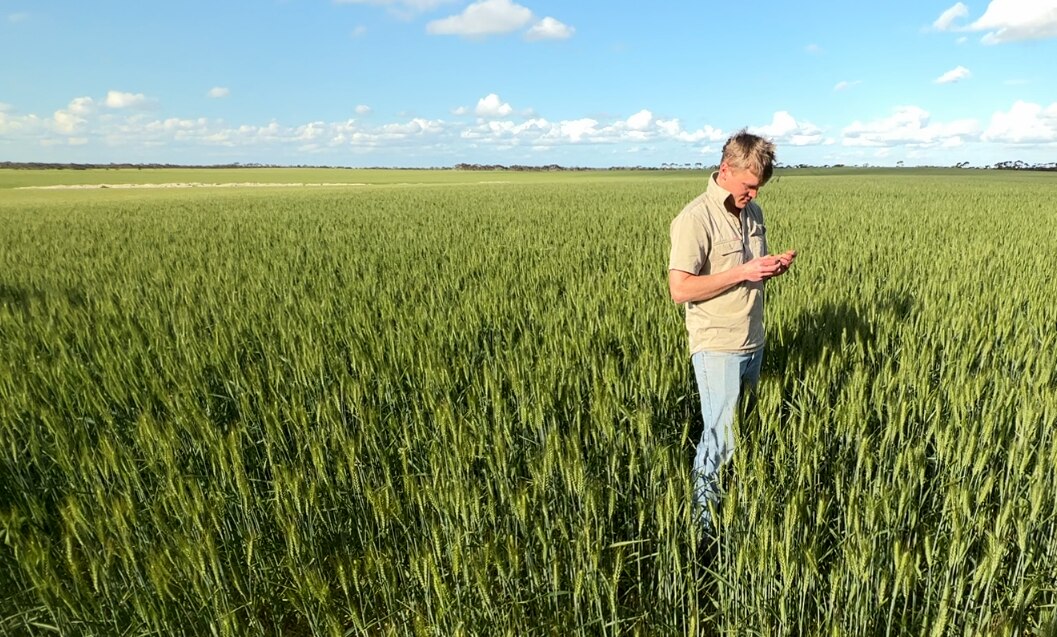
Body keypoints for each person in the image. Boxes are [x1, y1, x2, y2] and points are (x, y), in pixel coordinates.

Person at [667, 129, 796, 532]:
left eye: (759, 188)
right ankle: (703, 527)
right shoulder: (695, 219)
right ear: (726, 169)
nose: (754, 195)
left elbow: (746, 275)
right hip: (717, 345)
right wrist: (743, 271)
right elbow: (680, 289)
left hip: (752, 340)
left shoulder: (753, 215)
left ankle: (736, 502)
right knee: (720, 438)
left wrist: (769, 268)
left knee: (742, 430)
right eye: (749, 186)